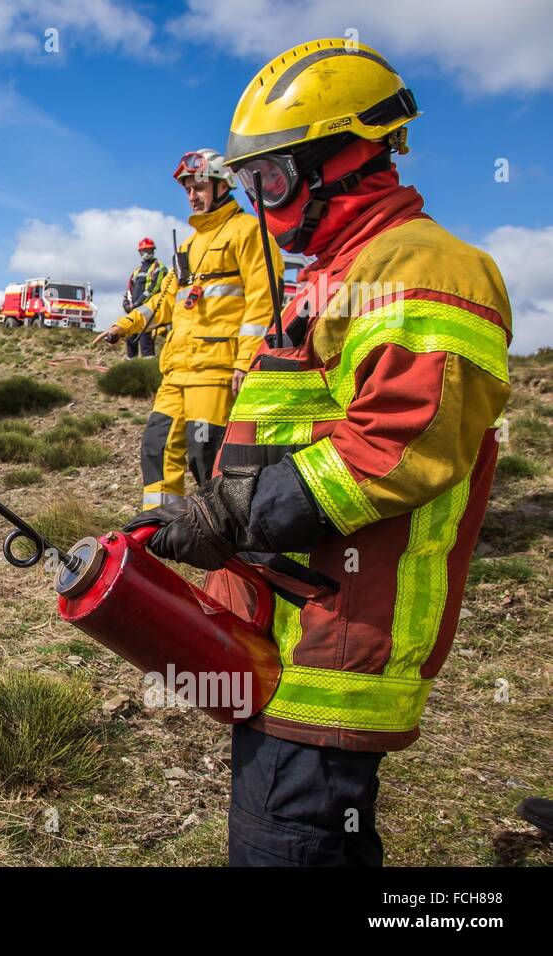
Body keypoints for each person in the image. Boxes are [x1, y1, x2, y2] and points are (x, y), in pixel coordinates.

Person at [130, 38, 512, 866]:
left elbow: (396, 447)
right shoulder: (334, 273)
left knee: (291, 842)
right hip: (285, 616)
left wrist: (229, 513)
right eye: (249, 184)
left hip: (340, 632)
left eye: (272, 179)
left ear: (349, 159)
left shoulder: (428, 268)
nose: (261, 206)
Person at [93, 148, 281, 511]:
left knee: (206, 452)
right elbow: (166, 300)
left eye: (200, 187)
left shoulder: (249, 233)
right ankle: (162, 528)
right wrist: (125, 325)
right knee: (157, 447)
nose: (193, 196)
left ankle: (231, 534)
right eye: (188, 189)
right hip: (176, 372)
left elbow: (263, 304)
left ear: (222, 185)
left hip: (217, 371)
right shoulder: (188, 245)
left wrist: (246, 362)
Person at [122, 238, 167, 359]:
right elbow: (129, 288)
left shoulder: (159, 267)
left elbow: (154, 287)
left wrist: (138, 302)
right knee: (130, 338)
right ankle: (131, 367)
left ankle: (148, 367)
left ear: (153, 250)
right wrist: (126, 303)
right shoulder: (136, 270)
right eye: (143, 251)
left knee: (145, 339)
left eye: (148, 250)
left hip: (147, 309)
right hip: (134, 310)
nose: (145, 253)